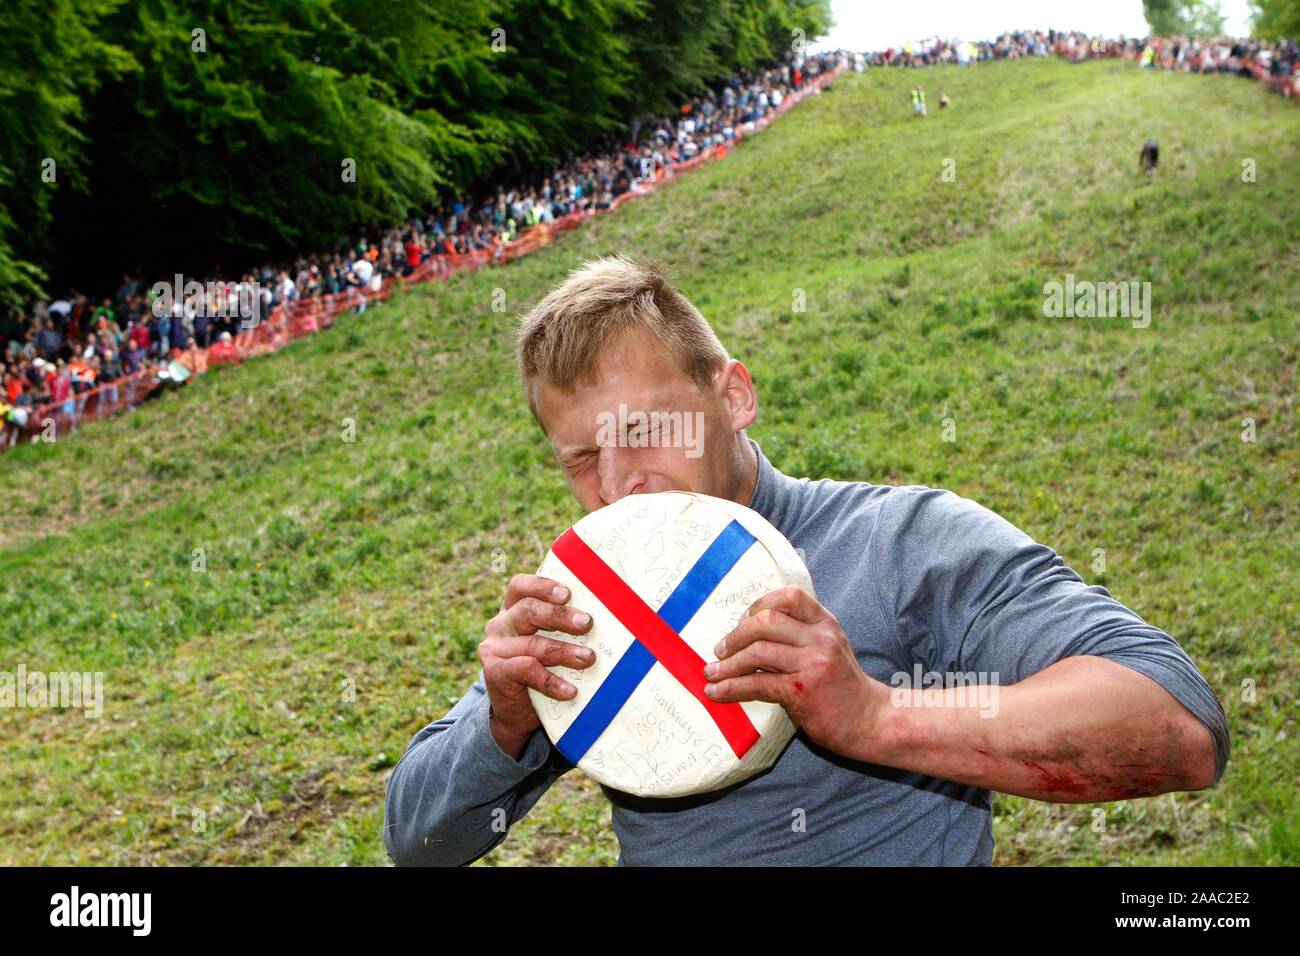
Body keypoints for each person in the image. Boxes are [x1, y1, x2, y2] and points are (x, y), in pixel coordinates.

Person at [382, 254, 1230, 866]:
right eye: (579, 458)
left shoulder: (900, 541)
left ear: (734, 395)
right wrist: (505, 723)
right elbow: (417, 846)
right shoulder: (594, 601)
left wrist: (873, 716)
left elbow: (1175, 727)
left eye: (644, 431)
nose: (617, 485)